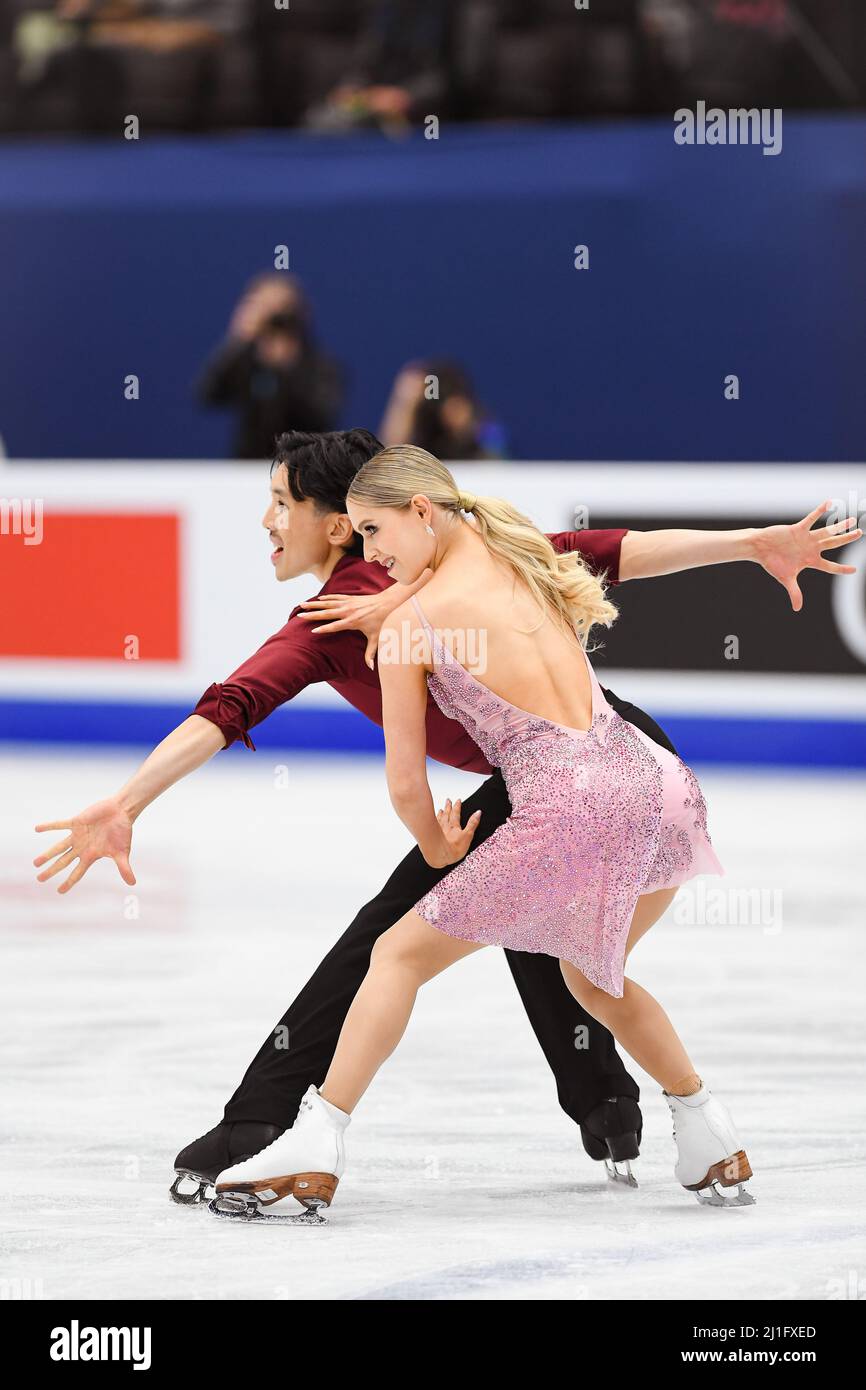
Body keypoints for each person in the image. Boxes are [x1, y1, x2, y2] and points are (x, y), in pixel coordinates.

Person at [31, 430, 861, 1209]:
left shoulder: (389, 610)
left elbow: (275, 723)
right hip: (635, 766)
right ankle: (641, 1115)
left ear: (342, 525)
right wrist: (750, 543)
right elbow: (604, 554)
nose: (266, 520)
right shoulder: (459, 559)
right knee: (565, 958)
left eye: (283, 502)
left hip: (561, 782)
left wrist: (129, 800)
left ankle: (285, 1129)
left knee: (389, 944)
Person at [197, 275, 344, 459]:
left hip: (305, 468)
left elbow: (321, 414)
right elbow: (209, 394)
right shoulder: (245, 361)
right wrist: (237, 339)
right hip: (246, 468)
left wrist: (287, 368)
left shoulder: (322, 366)